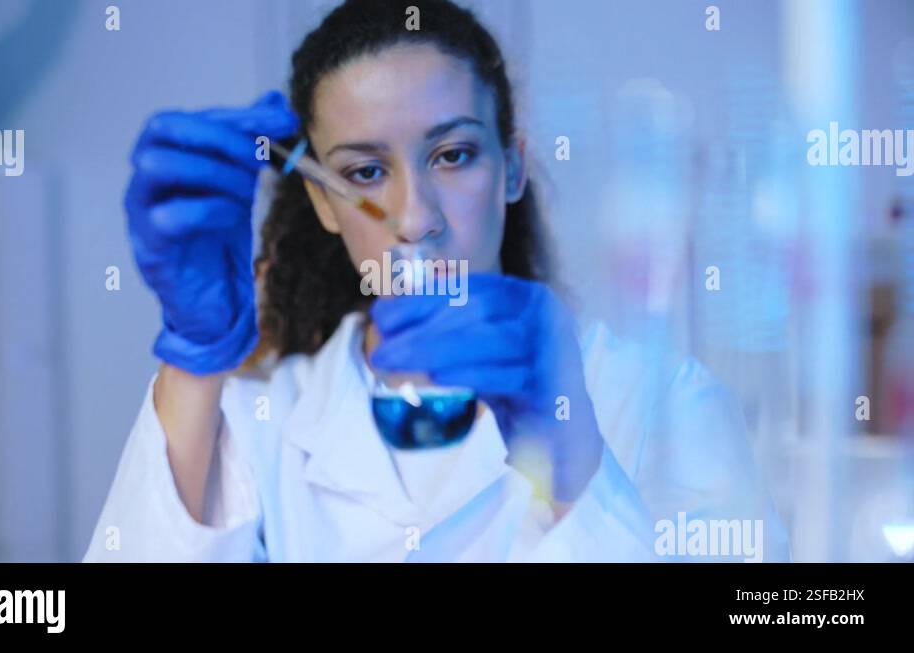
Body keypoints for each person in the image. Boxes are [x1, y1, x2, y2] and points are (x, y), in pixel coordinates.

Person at [83, 0, 789, 562]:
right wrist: (193, 360)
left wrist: (575, 466)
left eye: (452, 155)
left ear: (511, 168)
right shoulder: (260, 423)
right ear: (324, 203)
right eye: (364, 172)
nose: (416, 219)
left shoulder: (662, 401)